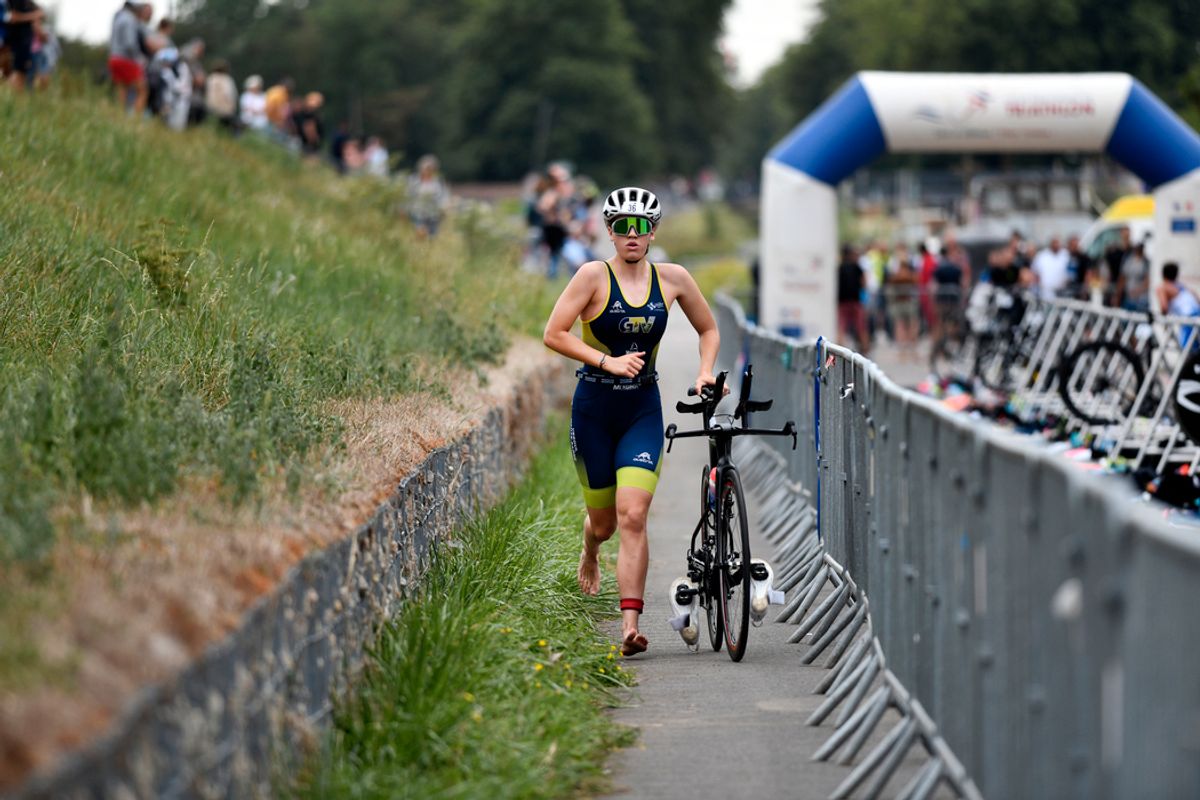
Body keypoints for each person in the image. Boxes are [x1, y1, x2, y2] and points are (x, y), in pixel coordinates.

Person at [542, 186, 720, 657]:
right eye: (623, 226)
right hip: (594, 410)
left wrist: (705, 370)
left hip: (642, 408)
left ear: (653, 232)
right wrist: (608, 362)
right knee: (604, 526)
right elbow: (554, 333)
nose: (633, 235)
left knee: (634, 515)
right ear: (610, 231)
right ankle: (590, 547)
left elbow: (708, 329)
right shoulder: (591, 276)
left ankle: (630, 626)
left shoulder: (674, 278)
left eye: (641, 226)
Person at [108, 1, 146, 113]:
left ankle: (120, 116)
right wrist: (139, 58)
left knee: (122, 89)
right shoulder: (129, 19)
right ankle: (136, 119)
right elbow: (130, 44)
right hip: (126, 59)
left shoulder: (118, 18)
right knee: (142, 90)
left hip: (114, 58)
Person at [1156, 262, 1200, 348]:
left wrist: (1164, 322)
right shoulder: (1182, 286)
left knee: (1187, 348)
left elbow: (1164, 307)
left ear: (1163, 274)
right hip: (1197, 313)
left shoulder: (1163, 287)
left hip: (1189, 317)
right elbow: (1196, 299)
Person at [837, 244, 870, 354]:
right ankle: (865, 350)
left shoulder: (839, 268)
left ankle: (839, 350)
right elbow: (864, 283)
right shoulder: (857, 267)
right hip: (856, 301)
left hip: (842, 302)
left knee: (841, 327)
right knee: (861, 326)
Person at [407, 154, 449, 237]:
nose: (428, 171)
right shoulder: (413, 181)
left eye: (431, 169)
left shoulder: (438, 182)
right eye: (427, 168)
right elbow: (407, 195)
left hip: (434, 215)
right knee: (420, 234)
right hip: (417, 213)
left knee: (432, 237)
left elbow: (444, 197)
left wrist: (444, 209)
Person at [4, 0, 42, 91]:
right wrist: (34, 15)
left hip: (24, 43)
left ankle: (11, 96)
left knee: (21, 73)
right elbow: (13, 17)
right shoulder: (15, 2)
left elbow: (40, 13)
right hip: (18, 41)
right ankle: (9, 95)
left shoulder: (29, 4)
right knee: (17, 73)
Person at [204, 58, 238, 131]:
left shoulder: (211, 78)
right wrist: (232, 106)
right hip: (225, 109)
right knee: (226, 129)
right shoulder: (227, 79)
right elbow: (229, 94)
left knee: (214, 126)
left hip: (212, 107)